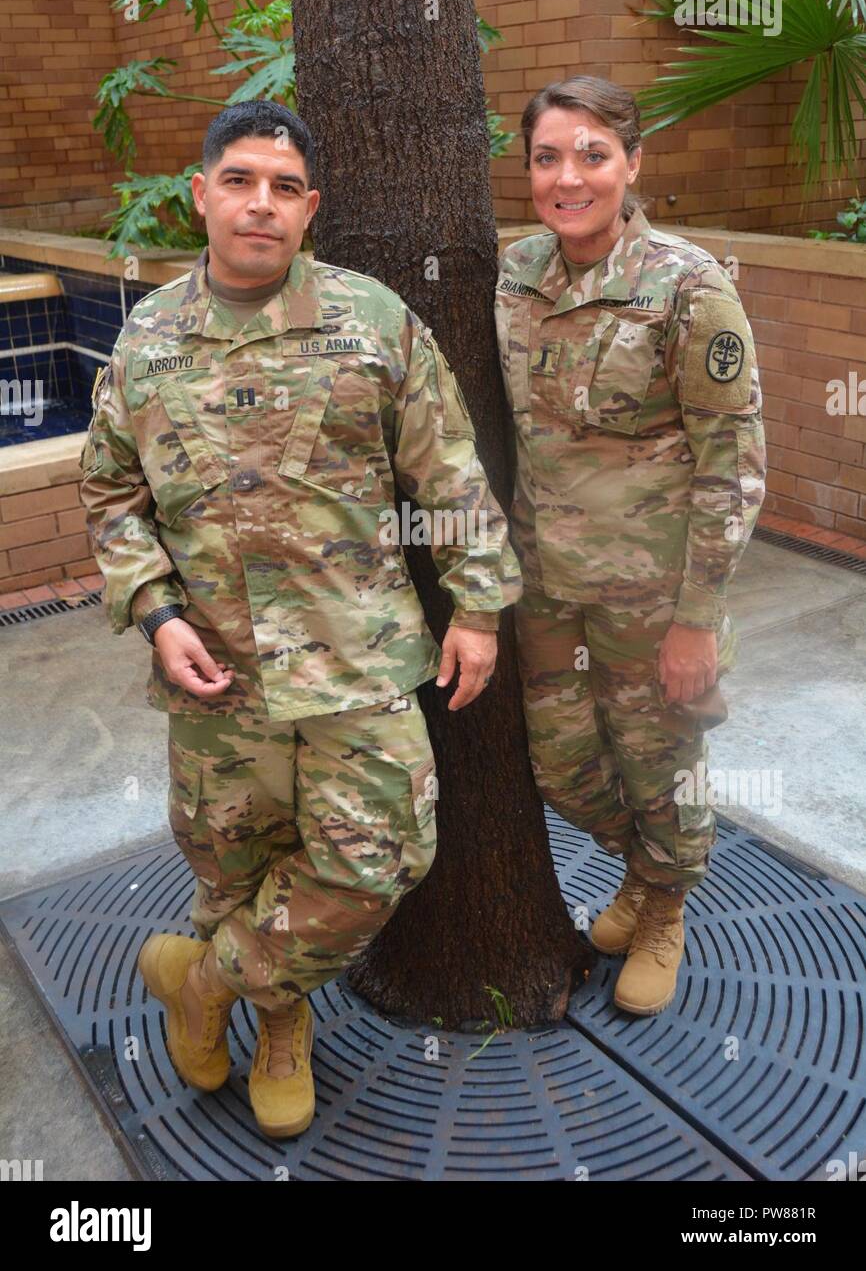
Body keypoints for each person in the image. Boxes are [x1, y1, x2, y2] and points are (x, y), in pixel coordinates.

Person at [80, 99, 522, 1137]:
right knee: (232, 860)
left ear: (309, 207)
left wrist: (478, 606)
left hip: (356, 661)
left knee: (378, 859)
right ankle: (282, 1025)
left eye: (283, 188)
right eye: (238, 180)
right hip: (215, 673)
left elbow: (450, 469)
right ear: (201, 194)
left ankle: (205, 986)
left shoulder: (370, 322)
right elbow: (110, 495)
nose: (260, 205)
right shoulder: (144, 342)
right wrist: (153, 612)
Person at [495, 76, 766, 1016]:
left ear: (633, 164)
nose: (568, 177)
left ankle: (664, 908)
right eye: (546, 157)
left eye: (592, 155)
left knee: (658, 762)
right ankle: (647, 874)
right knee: (563, 766)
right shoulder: (513, 275)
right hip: (545, 590)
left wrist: (697, 621)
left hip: (653, 601)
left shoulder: (690, 288)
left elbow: (732, 465)